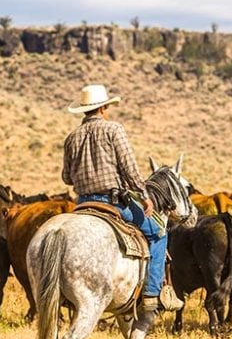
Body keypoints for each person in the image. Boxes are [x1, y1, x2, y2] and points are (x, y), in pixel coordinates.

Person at [62, 84, 184, 313]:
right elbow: (129, 168)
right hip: (113, 202)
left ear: (83, 110)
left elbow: (66, 177)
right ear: (104, 108)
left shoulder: (71, 138)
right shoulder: (114, 130)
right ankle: (152, 293)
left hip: (83, 203)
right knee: (158, 232)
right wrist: (145, 196)